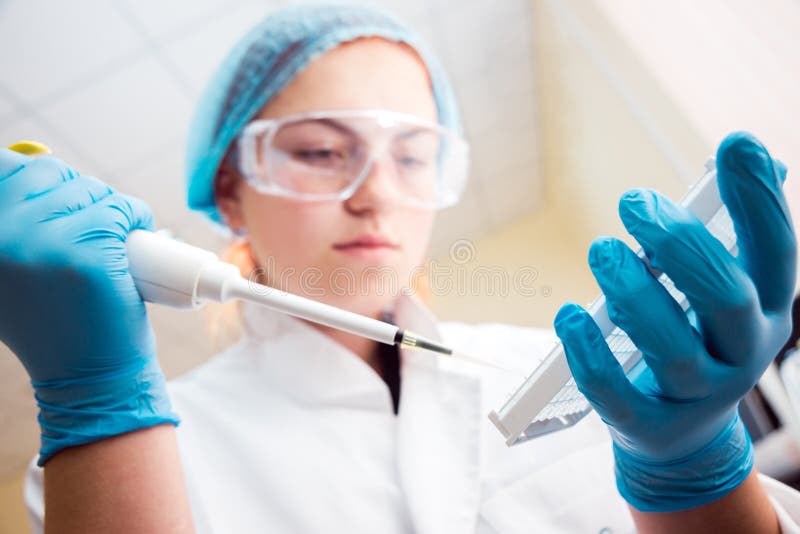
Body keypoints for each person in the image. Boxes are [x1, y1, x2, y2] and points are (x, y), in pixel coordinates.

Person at [1, 4, 797, 533]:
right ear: (230, 192)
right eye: (319, 152)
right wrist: (99, 403)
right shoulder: (136, 459)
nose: (377, 195)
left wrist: (697, 473)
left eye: (414, 156)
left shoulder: (558, 370)